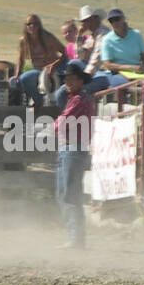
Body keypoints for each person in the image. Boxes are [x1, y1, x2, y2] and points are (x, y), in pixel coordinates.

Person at [55, 60, 95, 249]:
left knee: (68, 194)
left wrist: (56, 125)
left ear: (80, 81)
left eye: (72, 79)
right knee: (66, 194)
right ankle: (75, 237)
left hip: (73, 149)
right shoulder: (78, 99)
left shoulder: (79, 100)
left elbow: (61, 123)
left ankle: (75, 238)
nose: (68, 83)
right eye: (66, 80)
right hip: (71, 148)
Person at [56, 6, 111, 106]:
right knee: (61, 92)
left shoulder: (103, 35)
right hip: (92, 73)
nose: (86, 24)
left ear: (96, 19)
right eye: (84, 21)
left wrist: (85, 78)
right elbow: (80, 56)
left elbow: (96, 59)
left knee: (80, 91)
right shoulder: (92, 37)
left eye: (88, 20)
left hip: (104, 73)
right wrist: (79, 35)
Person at [87, 8, 144, 91]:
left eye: (117, 19)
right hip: (115, 73)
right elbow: (107, 64)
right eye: (111, 21)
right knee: (127, 86)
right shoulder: (107, 39)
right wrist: (131, 67)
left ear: (123, 19)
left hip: (137, 73)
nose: (114, 23)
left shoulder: (136, 35)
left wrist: (143, 66)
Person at [14, 13, 66, 107]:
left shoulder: (48, 38)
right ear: (25, 26)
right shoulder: (23, 41)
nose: (32, 26)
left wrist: (53, 65)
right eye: (29, 24)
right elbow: (21, 59)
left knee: (26, 78)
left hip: (53, 71)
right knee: (17, 81)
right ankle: (38, 101)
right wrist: (17, 74)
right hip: (38, 71)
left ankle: (41, 102)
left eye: (35, 24)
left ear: (39, 25)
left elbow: (65, 52)